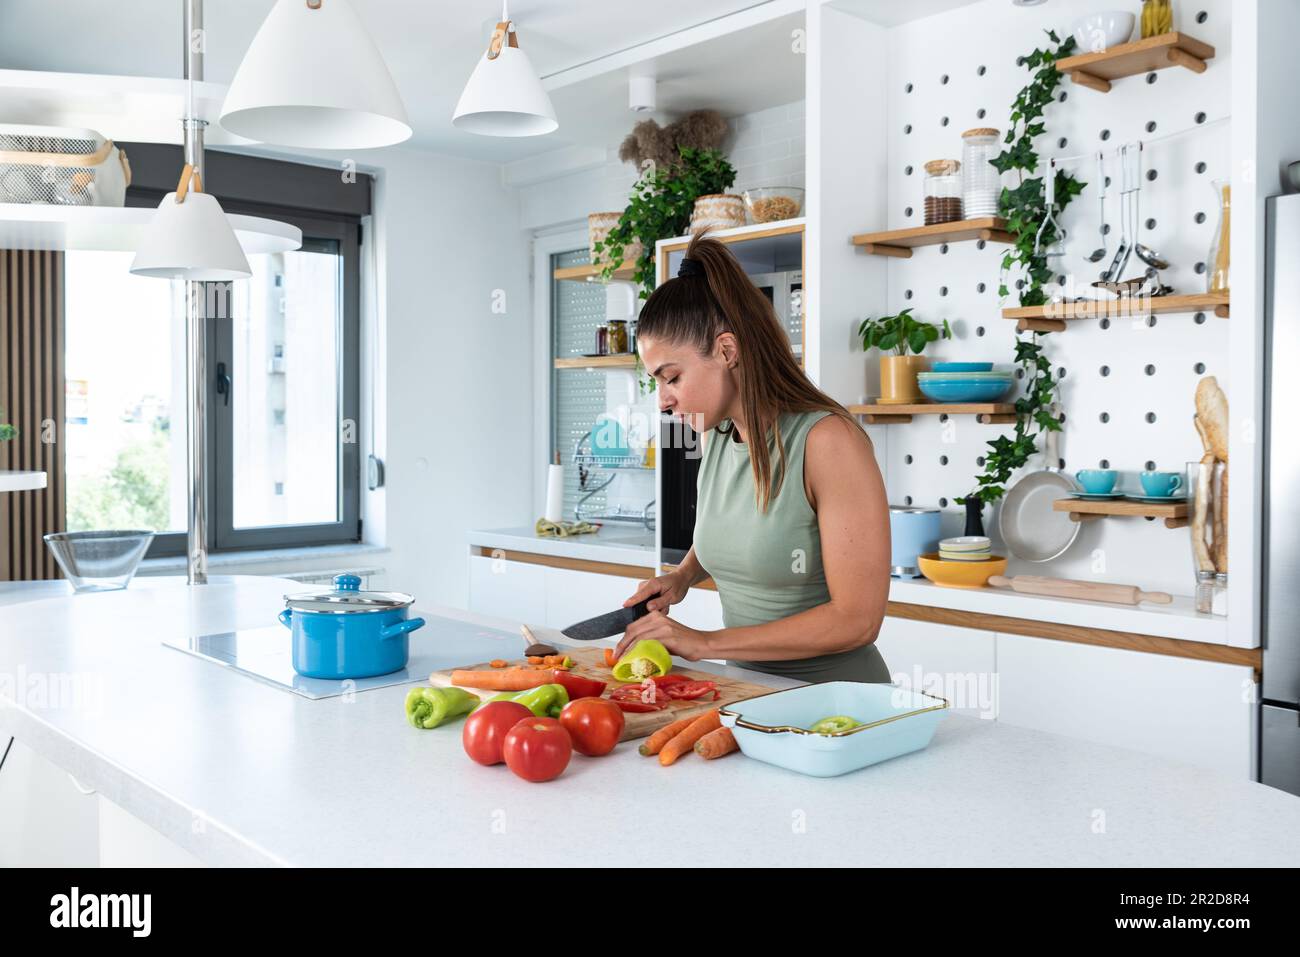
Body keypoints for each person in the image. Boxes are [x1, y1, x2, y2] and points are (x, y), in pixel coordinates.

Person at [614, 231, 892, 683]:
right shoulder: (718, 436)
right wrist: (682, 577)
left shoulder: (828, 442)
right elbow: (742, 536)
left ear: (727, 351)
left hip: (839, 705)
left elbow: (857, 619)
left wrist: (703, 644)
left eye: (672, 377)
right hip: (750, 693)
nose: (662, 400)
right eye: (656, 382)